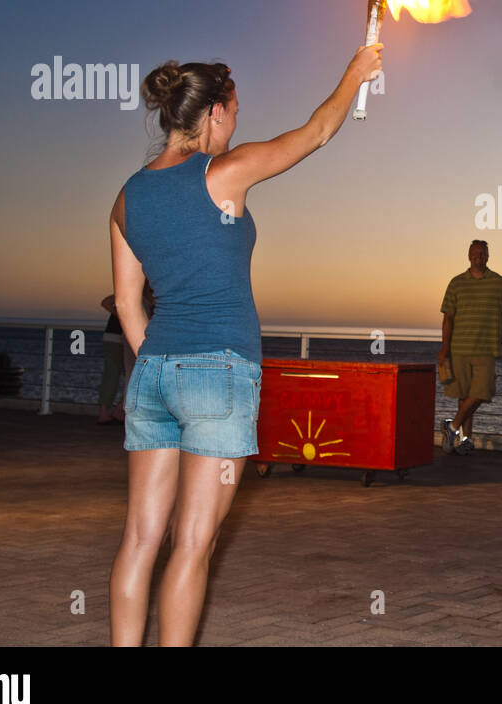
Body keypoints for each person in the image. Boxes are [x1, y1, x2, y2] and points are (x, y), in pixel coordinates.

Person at [108, 43, 382, 646]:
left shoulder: (127, 196)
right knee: (194, 545)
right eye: (233, 113)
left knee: (139, 538)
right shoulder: (221, 175)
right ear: (212, 114)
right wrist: (355, 73)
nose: (236, 125)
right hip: (220, 376)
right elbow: (315, 133)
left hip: (151, 374)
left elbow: (129, 304)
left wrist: (158, 359)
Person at [437, 240, 502, 455]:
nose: (478, 256)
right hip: (459, 348)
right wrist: (444, 348)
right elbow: (448, 318)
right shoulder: (456, 282)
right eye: (474, 252)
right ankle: (465, 441)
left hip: (486, 349)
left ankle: (452, 427)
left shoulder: (498, 282)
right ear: (468, 255)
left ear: (488, 256)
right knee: (464, 397)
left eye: (482, 253)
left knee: (482, 391)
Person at [98, 286, 157, 425]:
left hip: (125, 338)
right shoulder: (131, 294)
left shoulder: (148, 300)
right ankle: (107, 411)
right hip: (116, 337)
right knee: (116, 374)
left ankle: (118, 409)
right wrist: (121, 315)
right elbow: (105, 302)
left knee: (131, 376)